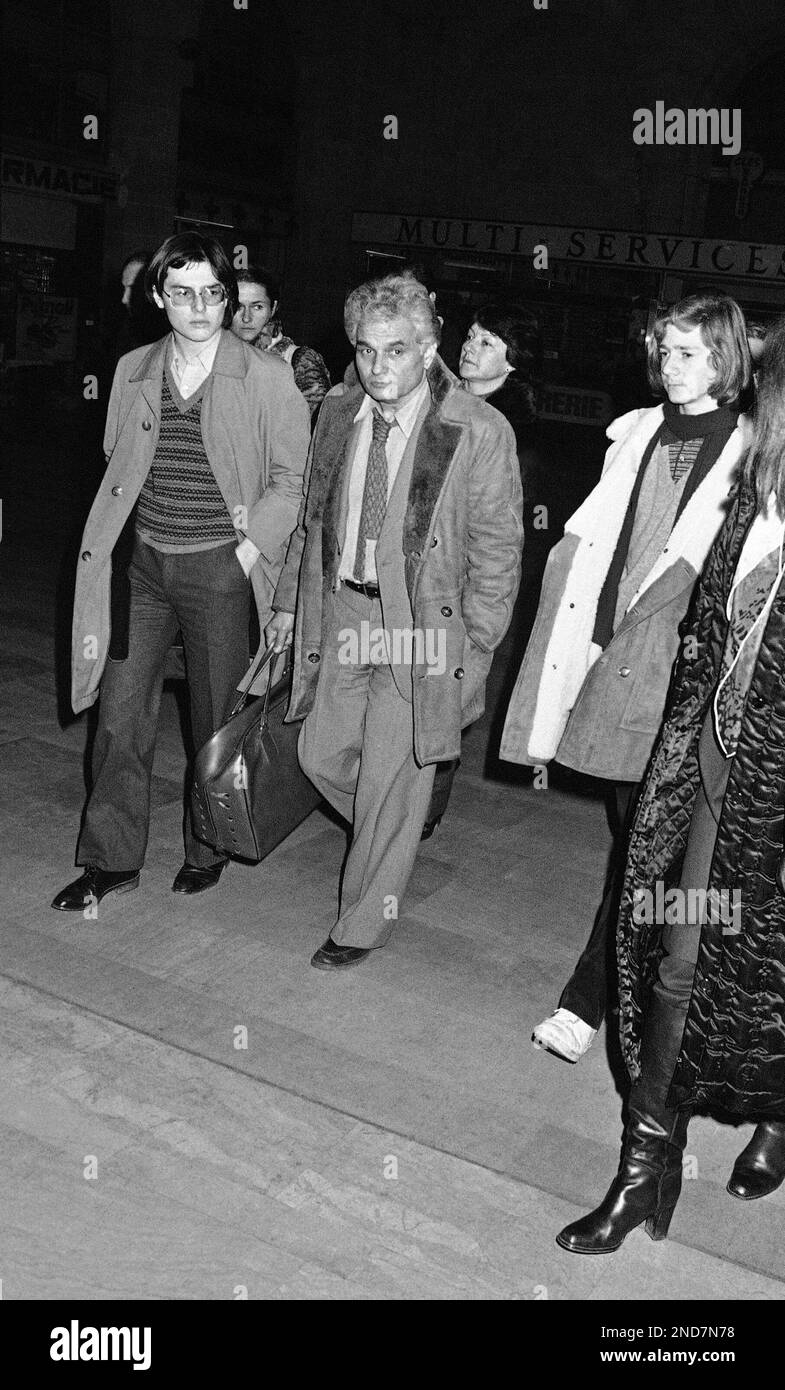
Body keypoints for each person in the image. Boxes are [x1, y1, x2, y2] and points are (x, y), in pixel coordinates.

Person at [557, 313, 785, 1255]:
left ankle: (776, 1114)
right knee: (681, 952)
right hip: (722, 770)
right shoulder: (750, 492)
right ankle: (642, 1169)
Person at [500, 292, 752, 1061]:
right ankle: (669, 975)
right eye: (665, 351)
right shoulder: (635, 433)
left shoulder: (751, 451)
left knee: (649, 849)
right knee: (641, 844)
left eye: (691, 354)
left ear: (726, 358)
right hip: (614, 662)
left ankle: (587, 1000)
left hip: (686, 677)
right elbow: (602, 547)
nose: (671, 368)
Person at [266, 274, 523, 970]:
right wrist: (290, 602)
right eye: (366, 349)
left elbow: (499, 552)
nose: (379, 367)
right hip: (345, 610)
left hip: (423, 629)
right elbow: (311, 522)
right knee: (320, 755)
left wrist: (472, 647)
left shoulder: (475, 428)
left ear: (430, 346)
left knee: (389, 773)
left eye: (398, 351)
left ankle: (362, 920)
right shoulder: (340, 407)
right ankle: (396, 832)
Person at [52, 231, 310, 911]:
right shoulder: (134, 367)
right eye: (183, 292)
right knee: (117, 717)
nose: (199, 306)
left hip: (219, 571)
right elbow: (116, 457)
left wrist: (249, 548)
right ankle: (110, 859)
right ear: (160, 296)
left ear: (228, 298)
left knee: (214, 721)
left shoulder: (266, 377)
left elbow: (293, 478)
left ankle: (208, 847)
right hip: (140, 567)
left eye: (214, 293)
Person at [458, 301, 543, 494]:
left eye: (485, 343)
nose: (469, 346)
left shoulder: (513, 430)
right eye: (470, 336)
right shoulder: (438, 396)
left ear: (512, 361)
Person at [231, 265, 331, 417]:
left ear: (273, 308)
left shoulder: (299, 361)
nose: (246, 317)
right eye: (238, 307)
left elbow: (318, 431)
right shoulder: (217, 356)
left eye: (257, 307)